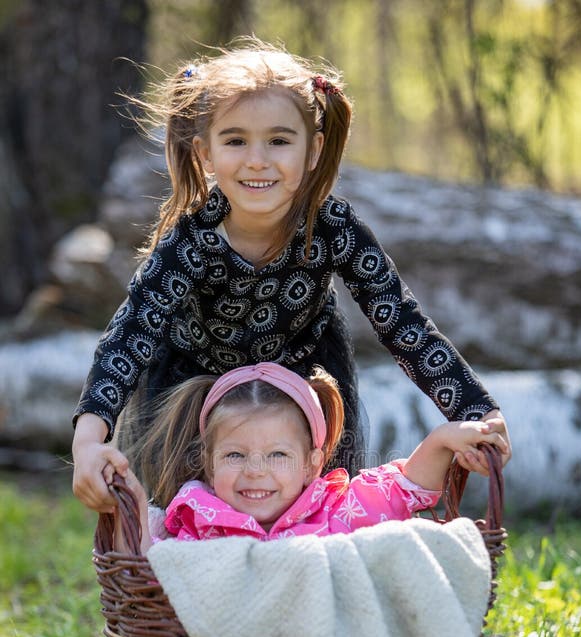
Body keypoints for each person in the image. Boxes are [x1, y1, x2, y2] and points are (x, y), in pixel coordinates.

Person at [72, 38, 511, 514]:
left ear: (313, 150)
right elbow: (129, 335)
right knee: (189, 522)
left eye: (279, 141)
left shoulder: (333, 228)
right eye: (235, 140)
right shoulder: (190, 241)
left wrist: (478, 414)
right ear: (204, 152)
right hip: (192, 391)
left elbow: (404, 326)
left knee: (311, 519)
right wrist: (89, 442)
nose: (257, 159)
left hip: (302, 385)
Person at [106, 362, 508, 554]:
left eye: (278, 454)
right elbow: (144, 566)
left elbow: (404, 489)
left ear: (312, 465)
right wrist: (129, 502)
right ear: (209, 463)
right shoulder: (192, 518)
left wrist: (442, 440)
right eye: (234, 455)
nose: (255, 471)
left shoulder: (335, 512)